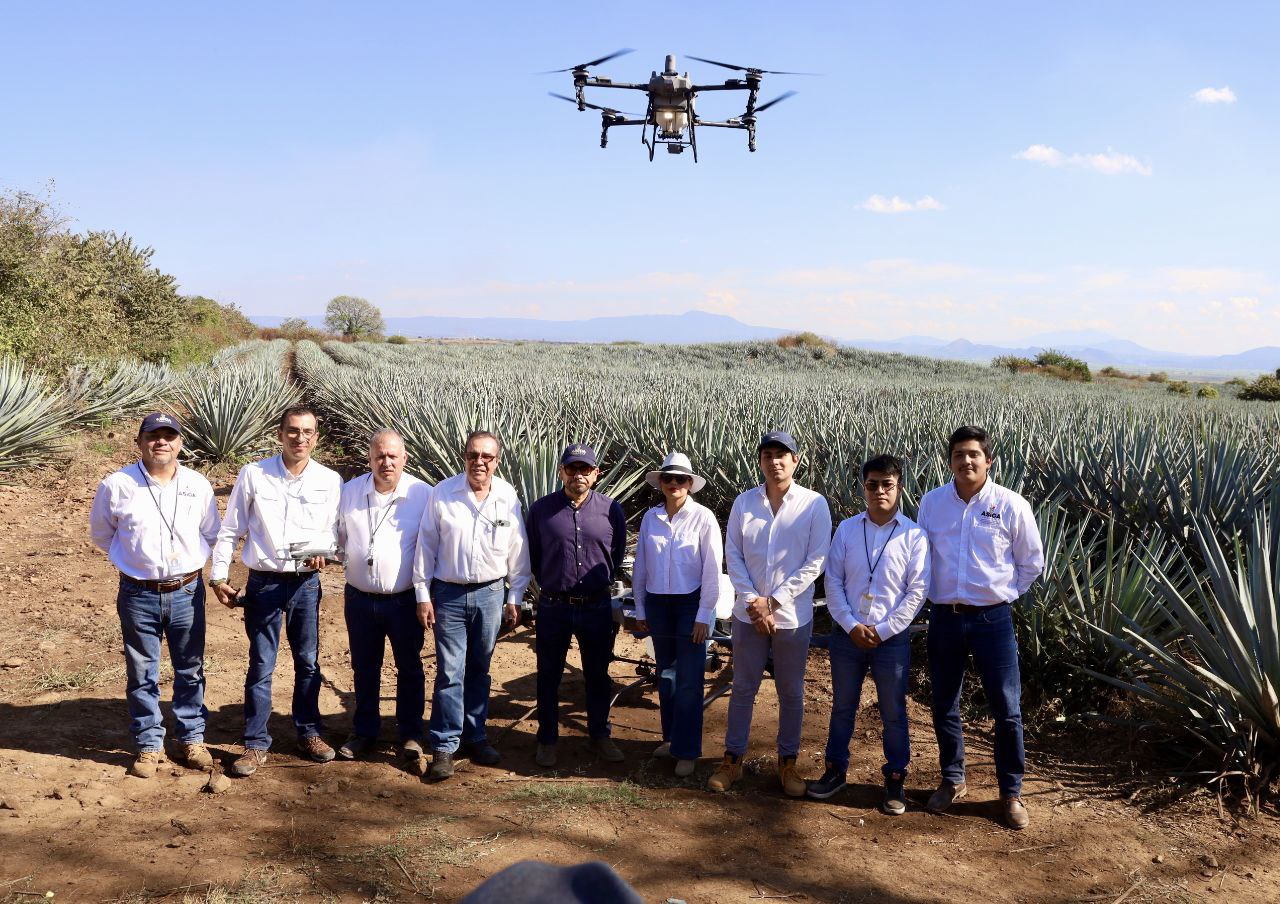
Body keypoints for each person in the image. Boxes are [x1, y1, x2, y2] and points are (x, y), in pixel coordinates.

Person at [918, 425, 1044, 830]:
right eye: (959, 454)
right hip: (944, 618)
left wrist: (1003, 595)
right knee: (944, 703)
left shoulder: (1012, 505)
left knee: (1007, 710)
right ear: (950, 460)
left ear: (988, 460)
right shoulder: (932, 503)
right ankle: (953, 779)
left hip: (993, 619)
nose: (966, 461)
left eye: (974, 454)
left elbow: (1031, 564)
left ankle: (1011, 793)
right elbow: (919, 559)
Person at [210, 405, 343, 776]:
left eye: (307, 432)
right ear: (280, 434)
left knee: (308, 661)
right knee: (261, 664)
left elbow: (337, 532)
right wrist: (218, 575)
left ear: (316, 437)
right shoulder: (254, 474)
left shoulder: (330, 480)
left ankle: (309, 732)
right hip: (264, 582)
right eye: (293, 431)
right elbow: (231, 528)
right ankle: (255, 743)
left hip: (306, 583)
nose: (300, 438)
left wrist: (326, 555)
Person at [89, 412, 220, 778]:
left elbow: (211, 533)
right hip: (137, 592)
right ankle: (149, 745)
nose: (161, 442)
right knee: (142, 670)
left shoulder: (198, 484)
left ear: (180, 443)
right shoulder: (117, 485)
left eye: (169, 436)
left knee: (190, 669)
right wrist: (136, 562)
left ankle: (191, 738)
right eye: (153, 436)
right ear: (140, 442)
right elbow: (102, 534)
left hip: (186, 591)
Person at [806, 454, 929, 814]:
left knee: (893, 711)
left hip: (891, 639)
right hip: (848, 636)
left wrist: (883, 629)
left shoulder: (913, 535)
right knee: (843, 706)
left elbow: (917, 591)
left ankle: (894, 779)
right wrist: (851, 625)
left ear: (899, 488)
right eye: (872, 484)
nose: (879, 491)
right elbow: (833, 582)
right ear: (864, 487)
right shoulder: (846, 529)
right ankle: (835, 771)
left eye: (887, 484)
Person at [710, 431, 831, 796]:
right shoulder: (744, 504)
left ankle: (788, 764)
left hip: (792, 617)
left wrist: (773, 602)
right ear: (760, 461)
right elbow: (734, 556)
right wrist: (755, 603)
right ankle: (733, 760)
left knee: (791, 690)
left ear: (796, 460)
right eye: (767, 455)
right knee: (743, 687)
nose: (775, 461)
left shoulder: (814, 505)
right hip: (749, 616)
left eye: (782, 455)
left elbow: (816, 562)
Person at [414, 430, 531, 781]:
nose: (479, 462)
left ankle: (476, 735)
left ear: (497, 460)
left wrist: (515, 597)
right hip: (448, 594)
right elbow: (426, 546)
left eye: (487, 456)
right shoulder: (443, 493)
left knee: (480, 668)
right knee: (450, 670)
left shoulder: (507, 496)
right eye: (472, 455)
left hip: (491, 593)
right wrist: (422, 593)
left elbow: (518, 550)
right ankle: (445, 745)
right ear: (463, 456)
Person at [526, 443, 628, 768]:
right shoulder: (541, 511)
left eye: (586, 469)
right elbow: (532, 557)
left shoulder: (611, 510)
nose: (578, 475)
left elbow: (615, 555)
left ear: (596, 474)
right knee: (548, 676)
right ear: (561, 472)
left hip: (596, 607)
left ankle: (599, 735)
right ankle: (547, 740)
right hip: (554, 606)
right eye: (572, 469)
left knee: (598, 675)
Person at [335, 429, 432, 766]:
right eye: (380, 456)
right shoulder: (350, 492)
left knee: (409, 668)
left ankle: (410, 733)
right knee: (364, 667)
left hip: (404, 600)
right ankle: (365, 732)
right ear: (369, 458)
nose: (386, 462)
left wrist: (425, 595)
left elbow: (430, 548)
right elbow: (340, 537)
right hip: (359, 598)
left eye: (393, 456)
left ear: (404, 458)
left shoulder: (422, 494)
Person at [632, 451, 723, 778]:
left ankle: (687, 750)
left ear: (690, 484)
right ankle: (672, 740)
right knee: (666, 676)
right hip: (658, 604)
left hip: (691, 604)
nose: (674, 484)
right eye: (668, 479)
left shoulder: (703, 518)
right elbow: (641, 565)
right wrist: (640, 606)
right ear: (661, 483)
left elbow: (712, 571)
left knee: (689, 679)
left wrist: (703, 615)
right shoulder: (650, 519)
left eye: (680, 479)